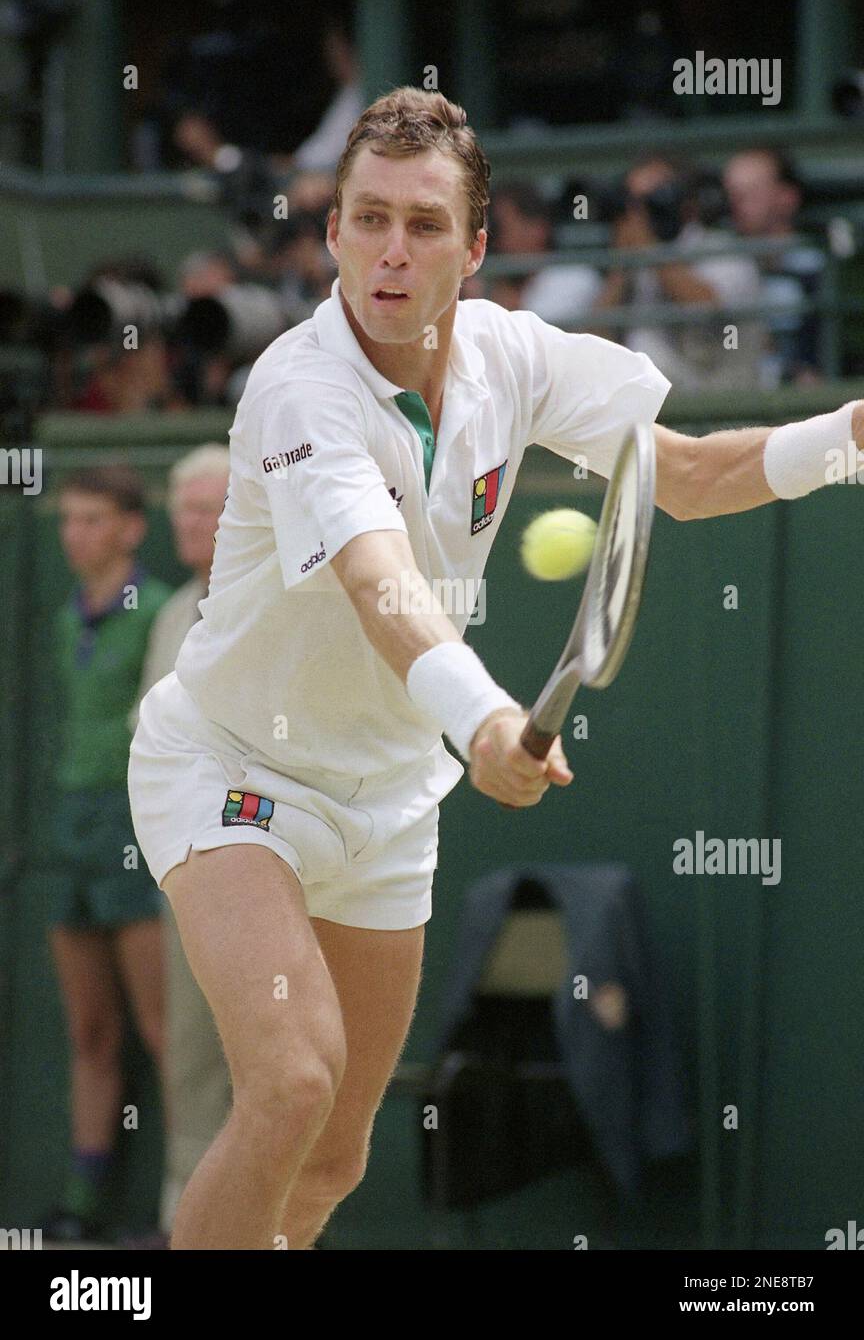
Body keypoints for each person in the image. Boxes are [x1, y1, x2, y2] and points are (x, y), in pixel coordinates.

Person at [127, 87, 864, 1251]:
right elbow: (381, 586)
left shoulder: (516, 359)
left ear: (475, 247)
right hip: (231, 770)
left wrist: (846, 441)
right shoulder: (297, 388)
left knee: (332, 1161)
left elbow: (678, 476)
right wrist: (481, 722)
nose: (390, 251)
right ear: (330, 233)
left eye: (424, 225)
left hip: (385, 799)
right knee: (293, 1081)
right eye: (367, 219)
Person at [41, 465, 172, 1243]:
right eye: (67, 520)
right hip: (70, 830)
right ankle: (80, 1210)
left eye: (93, 520)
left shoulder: (157, 612)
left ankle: (182, 1209)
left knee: (162, 1031)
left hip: (133, 828)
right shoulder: (66, 619)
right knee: (90, 1031)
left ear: (130, 527)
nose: (75, 534)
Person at [127, 445, 232, 1244]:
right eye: (186, 510)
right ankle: (186, 1223)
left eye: (212, 507)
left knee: (282, 1056)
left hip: (276, 863)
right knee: (193, 1052)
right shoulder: (167, 615)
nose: (195, 524)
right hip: (185, 869)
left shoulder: (274, 600)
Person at [592, 155, 764, 390]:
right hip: (653, 406)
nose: (639, 215)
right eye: (630, 204)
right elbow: (594, 339)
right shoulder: (631, 258)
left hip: (720, 402)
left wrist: (650, 249)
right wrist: (621, 268)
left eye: (652, 200)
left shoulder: (722, 250)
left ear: (687, 202)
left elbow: (706, 307)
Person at [723, 147, 825, 386]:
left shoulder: (818, 266)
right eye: (731, 193)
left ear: (787, 197)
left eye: (751, 192)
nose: (736, 203)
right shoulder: (718, 263)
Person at [485, 181, 600, 325]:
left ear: (538, 229)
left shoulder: (574, 277)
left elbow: (533, 336)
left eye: (501, 229)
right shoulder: (493, 284)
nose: (496, 242)